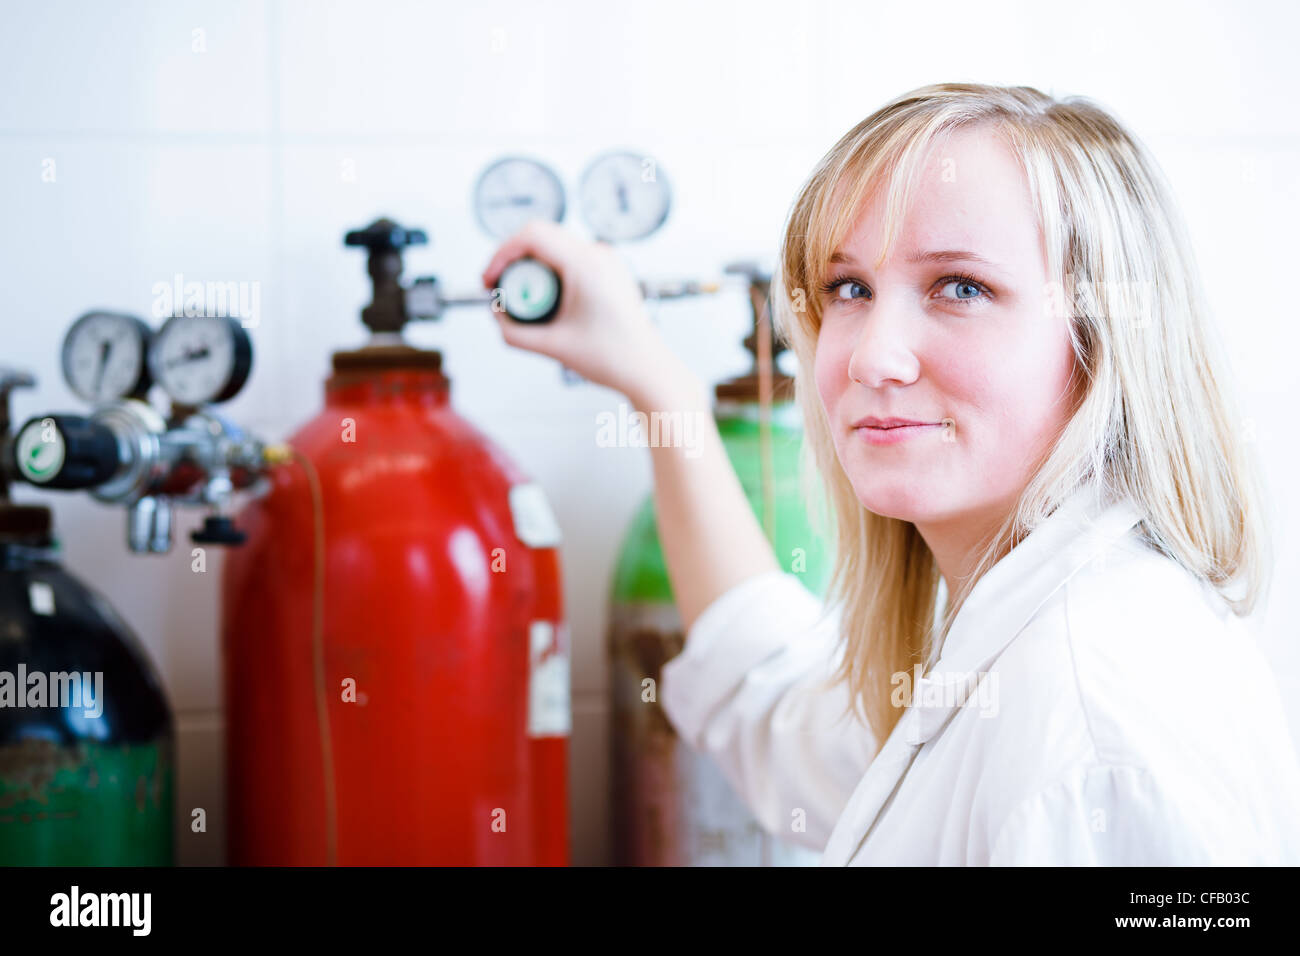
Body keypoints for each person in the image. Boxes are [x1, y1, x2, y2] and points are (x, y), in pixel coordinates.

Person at [480, 82, 1300, 865]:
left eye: (960, 287)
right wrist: (654, 382)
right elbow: (779, 711)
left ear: (1103, 339)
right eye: (849, 288)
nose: (872, 354)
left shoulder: (1096, 734)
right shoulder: (1001, 645)